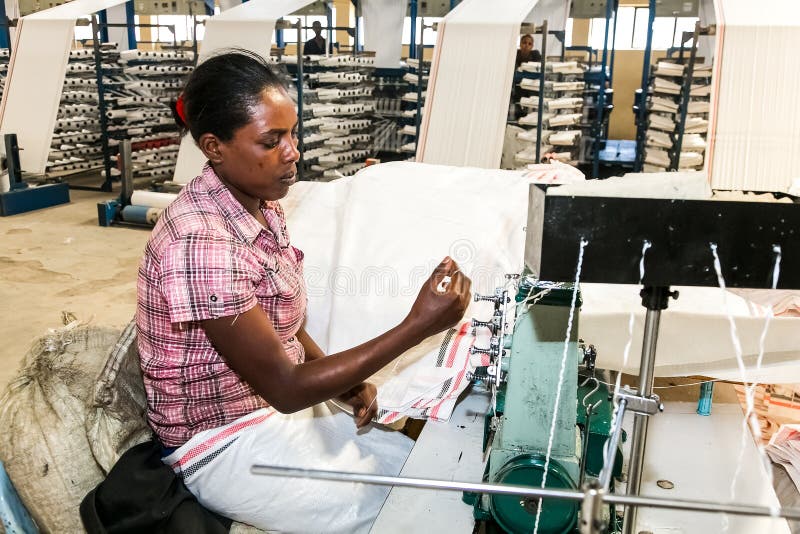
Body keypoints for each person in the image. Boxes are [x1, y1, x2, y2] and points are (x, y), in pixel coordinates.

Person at [137, 49, 471, 532]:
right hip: (224, 444)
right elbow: (285, 388)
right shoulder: (201, 244)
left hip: (264, 408)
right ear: (214, 147)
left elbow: (281, 327)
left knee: (416, 466)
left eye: (292, 133)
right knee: (412, 512)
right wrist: (418, 326)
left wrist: (347, 384)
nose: (292, 152)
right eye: (271, 141)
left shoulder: (256, 203)